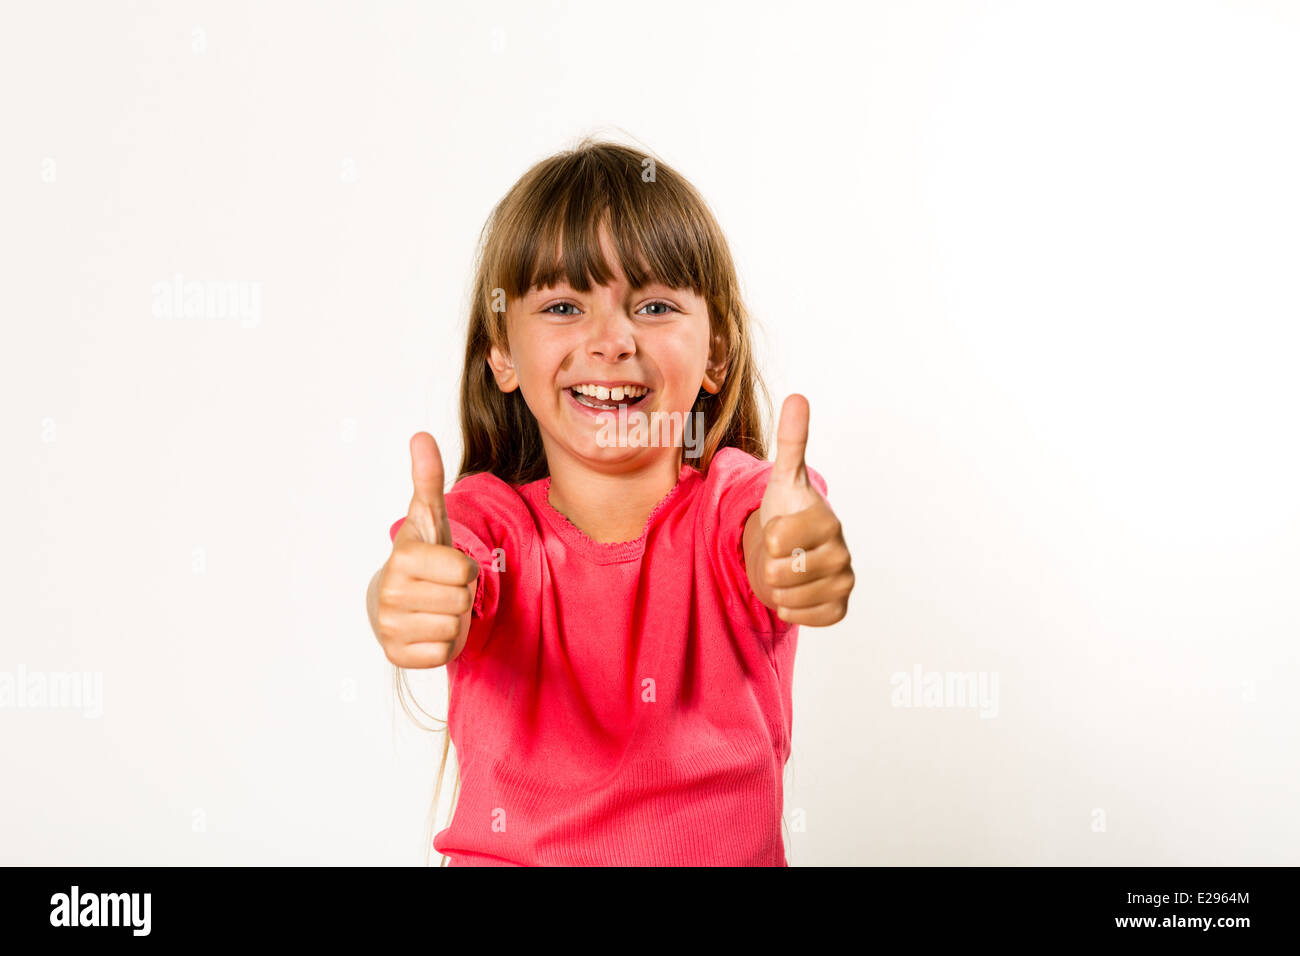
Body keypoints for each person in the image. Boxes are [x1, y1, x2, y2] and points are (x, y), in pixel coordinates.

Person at [365, 139, 854, 866]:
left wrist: (793, 552)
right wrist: (405, 596)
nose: (611, 340)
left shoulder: (736, 505)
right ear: (502, 353)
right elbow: (444, 565)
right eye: (564, 305)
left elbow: (770, 530)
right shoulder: (489, 523)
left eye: (654, 305)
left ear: (716, 350)